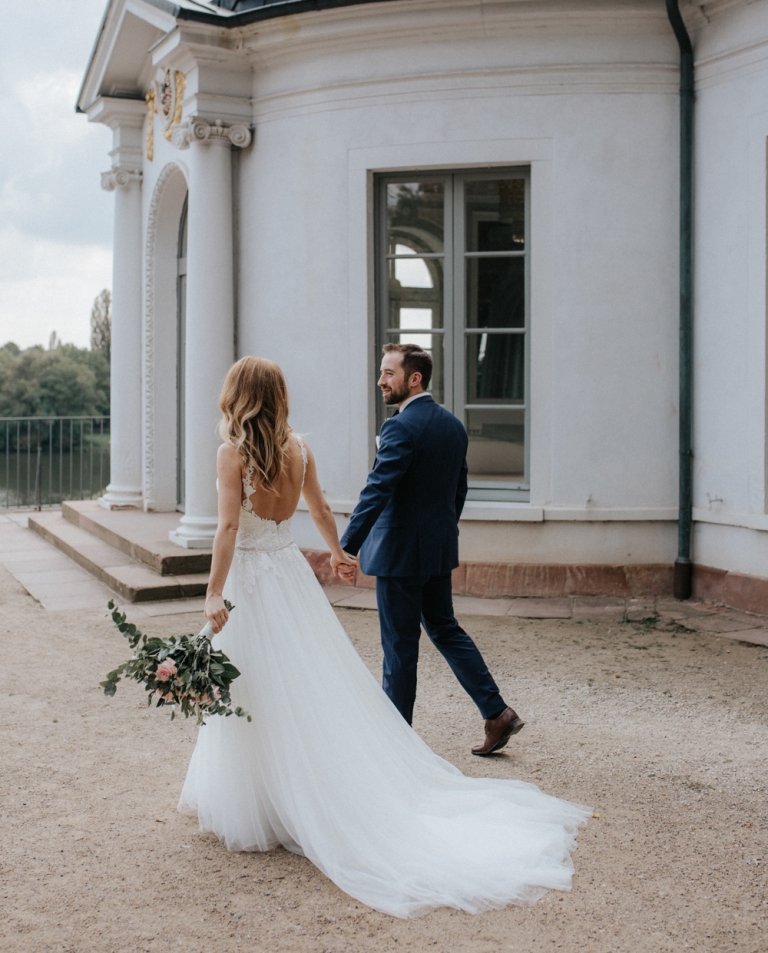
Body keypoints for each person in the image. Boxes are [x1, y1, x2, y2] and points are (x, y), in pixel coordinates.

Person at [180, 356, 590, 918]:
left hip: (254, 577)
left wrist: (212, 592)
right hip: (295, 575)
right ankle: (293, 790)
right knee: (304, 677)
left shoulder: (233, 453)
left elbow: (228, 527)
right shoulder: (300, 447)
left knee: (257, 680)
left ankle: (267, 802)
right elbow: (321, 507)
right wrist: (339, 554)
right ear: (278, 395)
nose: (382, 380)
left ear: (236, 395)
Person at [340, 343, 521, 754]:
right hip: (437, 550)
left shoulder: (400, 427)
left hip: (399, 554)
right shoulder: (452, 425)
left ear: (414, 378)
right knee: (444, 629)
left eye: (389, 373)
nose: (381, 381)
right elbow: (459, 490)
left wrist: (346, 544)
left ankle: (394, 743)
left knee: (400, 648)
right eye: (382, 372)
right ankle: (496, 713)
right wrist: (439, 532)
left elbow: (378, 489)